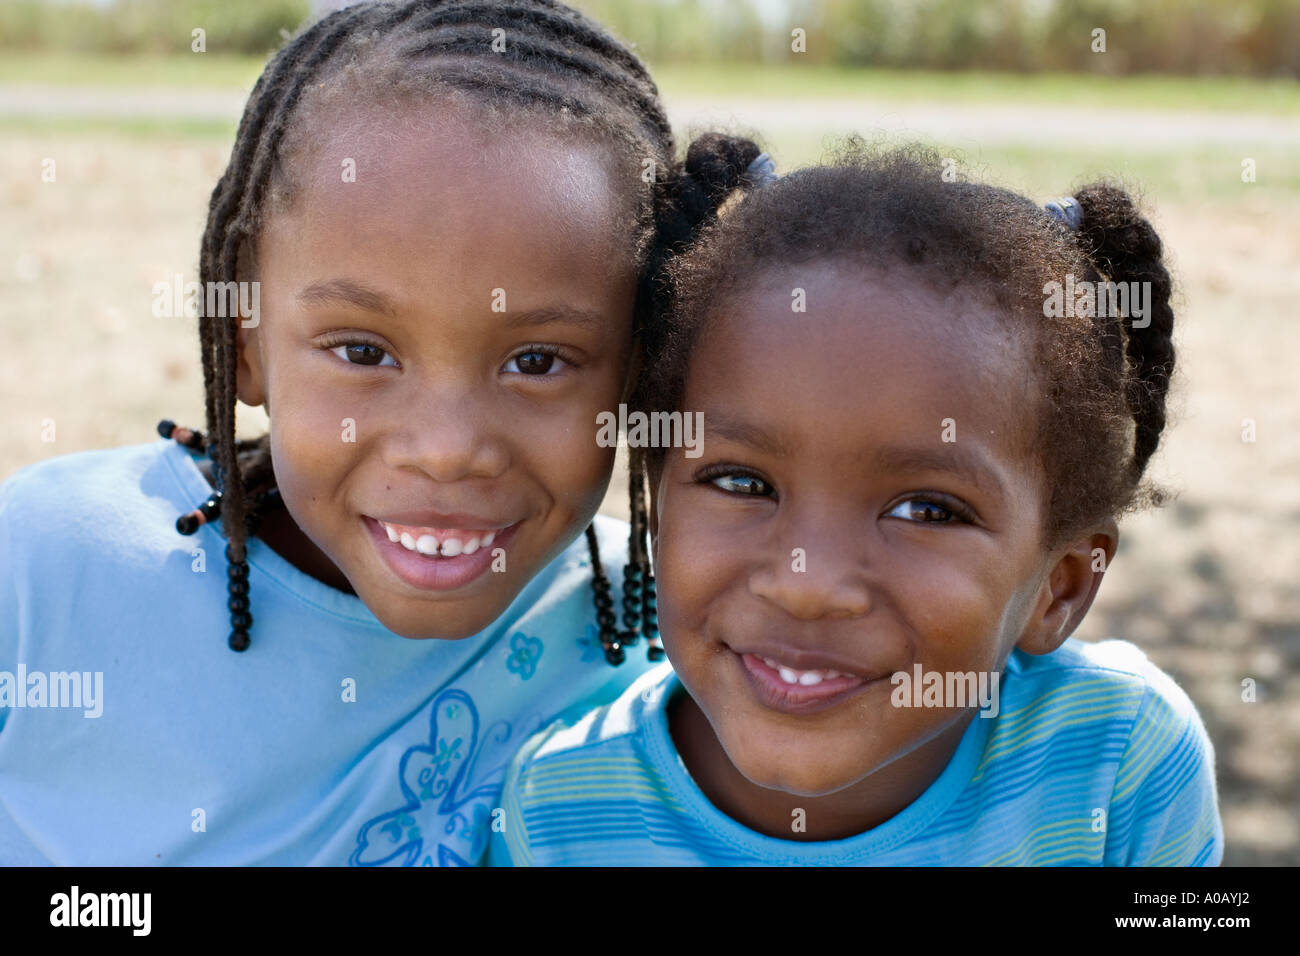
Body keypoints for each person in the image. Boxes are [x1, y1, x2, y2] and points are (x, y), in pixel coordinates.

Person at [0, 0, 761, 865]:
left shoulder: (672, 634)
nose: (445, 448)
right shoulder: (48, 571)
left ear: (638, 369)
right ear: (244, 341)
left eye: (539, 362)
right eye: (363, 351)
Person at [489, 144, 1224, 866]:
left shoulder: (1119, 760)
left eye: (928, 510)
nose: (808, 585)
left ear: (1058, 587)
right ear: (654, 494)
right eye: (743, 484)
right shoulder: (559, 815)